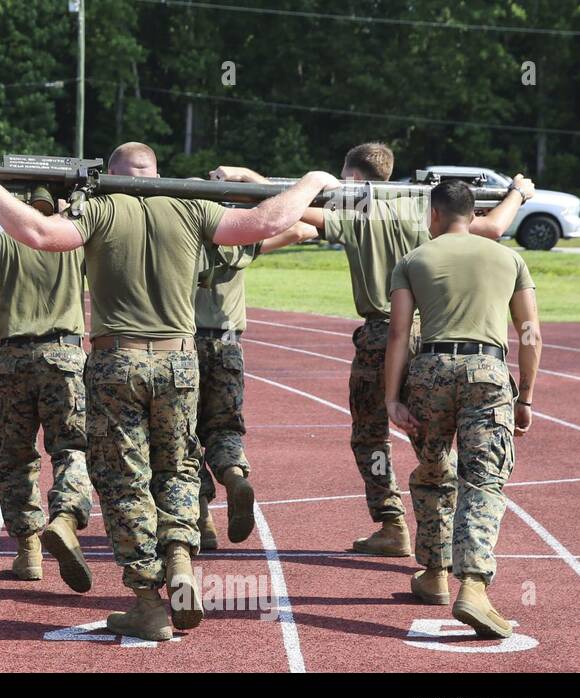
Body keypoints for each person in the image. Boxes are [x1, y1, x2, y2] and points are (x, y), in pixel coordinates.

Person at [0, 143, 340, 640]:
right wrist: (311, 179)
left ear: (109, 175)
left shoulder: (101, 208)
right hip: (180, 359)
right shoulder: (191, 205)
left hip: (118, 360)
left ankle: (147, 601)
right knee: (177, 464)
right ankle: (179, 560)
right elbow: (267, 222)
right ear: (156, 171)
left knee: (122, 480)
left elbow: (39, 232)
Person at [211, 146, 534, 558]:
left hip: (383, 336)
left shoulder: (357, 207)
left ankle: (392, 522)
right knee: (430, 443)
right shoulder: (422, 206)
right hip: (430, 335)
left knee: (370, 435)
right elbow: (490, 227)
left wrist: (250, 177)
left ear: (353, 178)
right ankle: (444, 538)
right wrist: (517, 194)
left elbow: (293, 208)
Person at [385, 180, 540, 639]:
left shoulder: (413, 260)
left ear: (434, 215)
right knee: (483, 480)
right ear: (473, 215)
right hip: (487, 372)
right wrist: (526, 396)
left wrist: (392, 398)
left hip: (430, 369)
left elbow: (398, 335)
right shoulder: (509, 258)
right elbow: (530, 333)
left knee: (434, 470)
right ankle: (472, 585)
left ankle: (434, 574)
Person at [0, 217, 94, 592]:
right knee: (71, 449)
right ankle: (64, 519)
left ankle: (29, 550)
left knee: (16, 457)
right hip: (66, 356)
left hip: (14, 359)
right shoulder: (76, 240)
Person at [192, 222, 319, 549]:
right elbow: (302, 231)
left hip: (184, 343)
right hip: (229, 345)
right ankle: (234, 476)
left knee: (183, 432)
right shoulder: (240, 243)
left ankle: (202, 516)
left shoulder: (181, 239)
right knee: (225, 428)